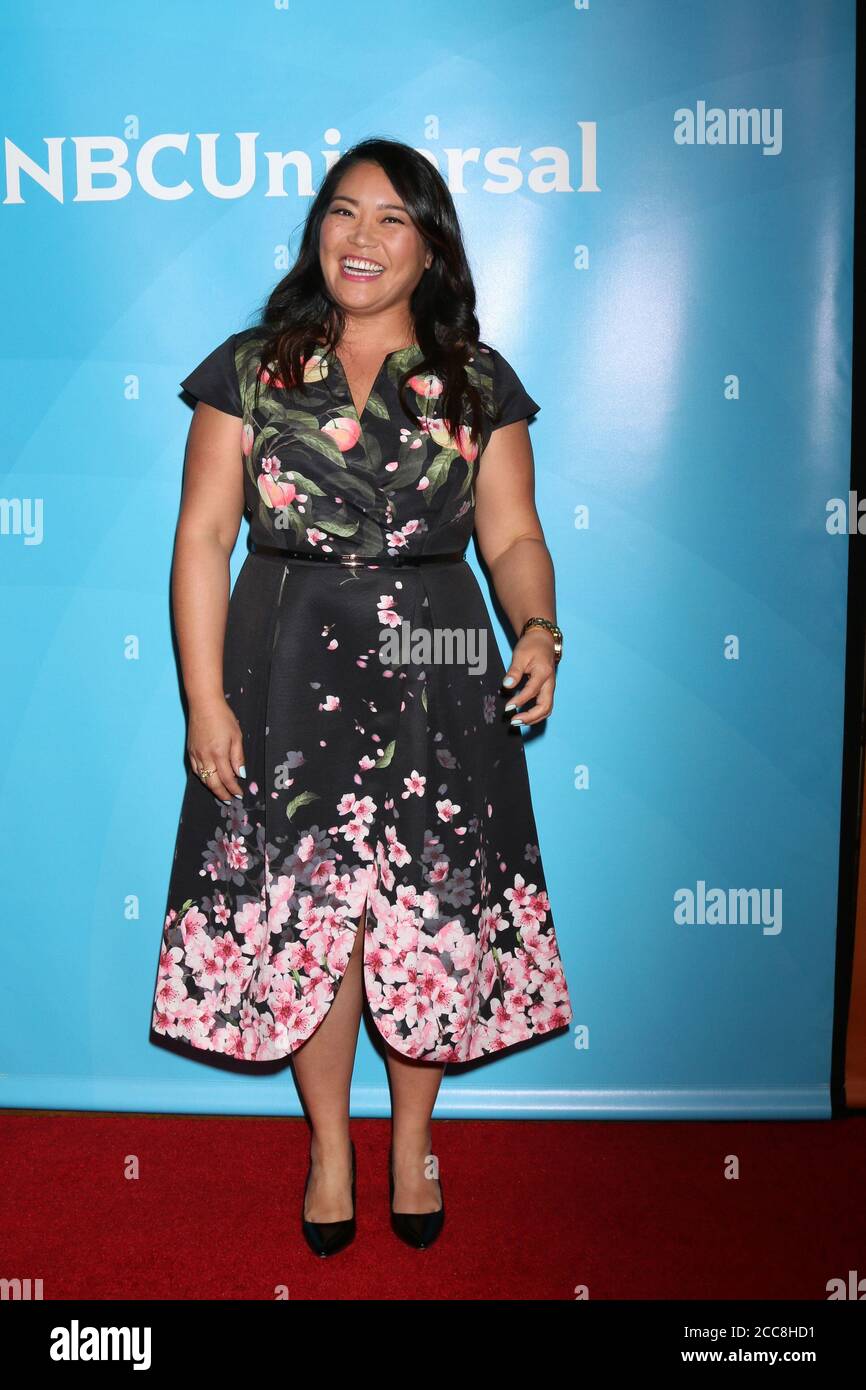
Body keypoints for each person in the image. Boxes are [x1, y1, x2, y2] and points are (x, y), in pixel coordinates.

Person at [150, 136, 573, 1256]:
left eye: (393, 218)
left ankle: (413, 1140)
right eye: (344, 213)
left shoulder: (476, 381)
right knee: (314, 921)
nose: (363, 238)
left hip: (437, 663)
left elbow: (514, 535)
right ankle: (330, 1141)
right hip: (283, 666)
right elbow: (201, 538)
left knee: (422, 914)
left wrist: (536, 625)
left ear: (430, 245)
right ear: (316, 232)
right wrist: (204, 699)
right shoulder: (249, 368)